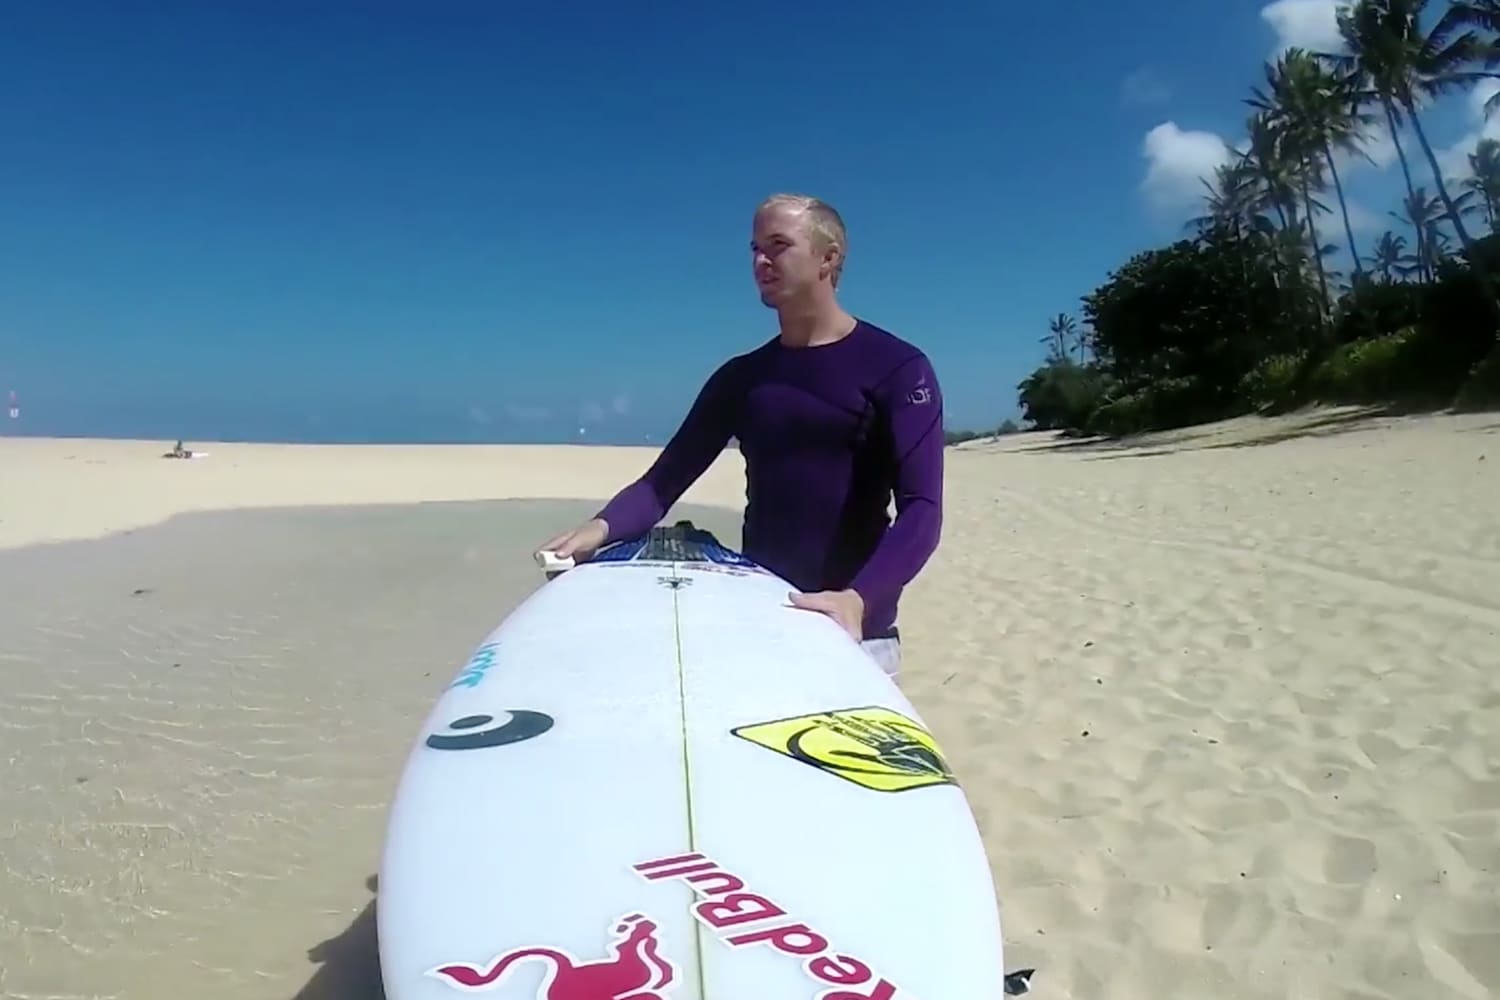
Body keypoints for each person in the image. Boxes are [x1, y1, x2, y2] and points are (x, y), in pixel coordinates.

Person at [537, 192, 944, 681]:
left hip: (855, 636)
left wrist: (858, 599)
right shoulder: (743, 378)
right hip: (760, 620)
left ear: (828, 257)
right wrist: (598, 529)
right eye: (754, 248)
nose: (760, 261)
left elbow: (923, 509)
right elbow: (662, 483)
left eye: (778, 245)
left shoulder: (897, 369)